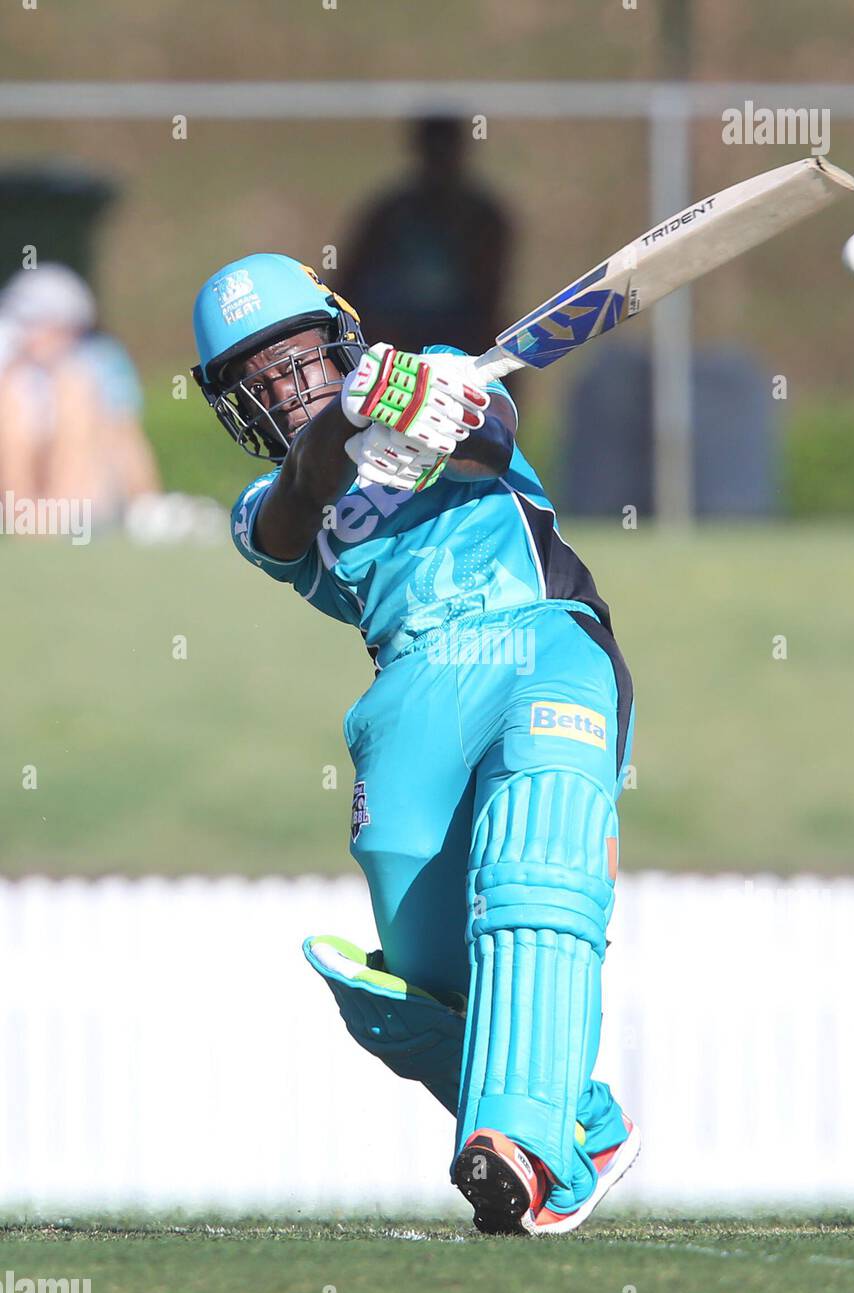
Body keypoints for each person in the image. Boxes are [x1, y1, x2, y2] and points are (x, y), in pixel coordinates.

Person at [192, 252, 638, 1235]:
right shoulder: (262, 512)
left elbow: (487, 437)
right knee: (424, 984)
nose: (286, 387)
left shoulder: (434, 368)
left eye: (301, 359)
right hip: (410, 698)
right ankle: (580, 1124)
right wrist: (359, 418)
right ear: (234, 408)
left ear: (340, 338)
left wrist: (435, 403)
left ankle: (517, 1145)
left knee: (533, 879)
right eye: (258, 382)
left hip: (538, 637)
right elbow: (298, 498)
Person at [339, 117, 511, 357]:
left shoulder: (484, 219)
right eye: (434, 151)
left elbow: (490, 291)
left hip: (460, 331)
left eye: (446, 151)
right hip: (393, 329)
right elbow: (350, 278)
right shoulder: (389, 214)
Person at [0, 265, 158, 524]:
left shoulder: (98, 361)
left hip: (90, 496)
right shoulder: (12, 368)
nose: (31, 335)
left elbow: (126, 439)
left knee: (75, 392)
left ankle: (58, 516)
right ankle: (28, 518)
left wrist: (146, 502)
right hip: (28, 500)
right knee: (13, 405)